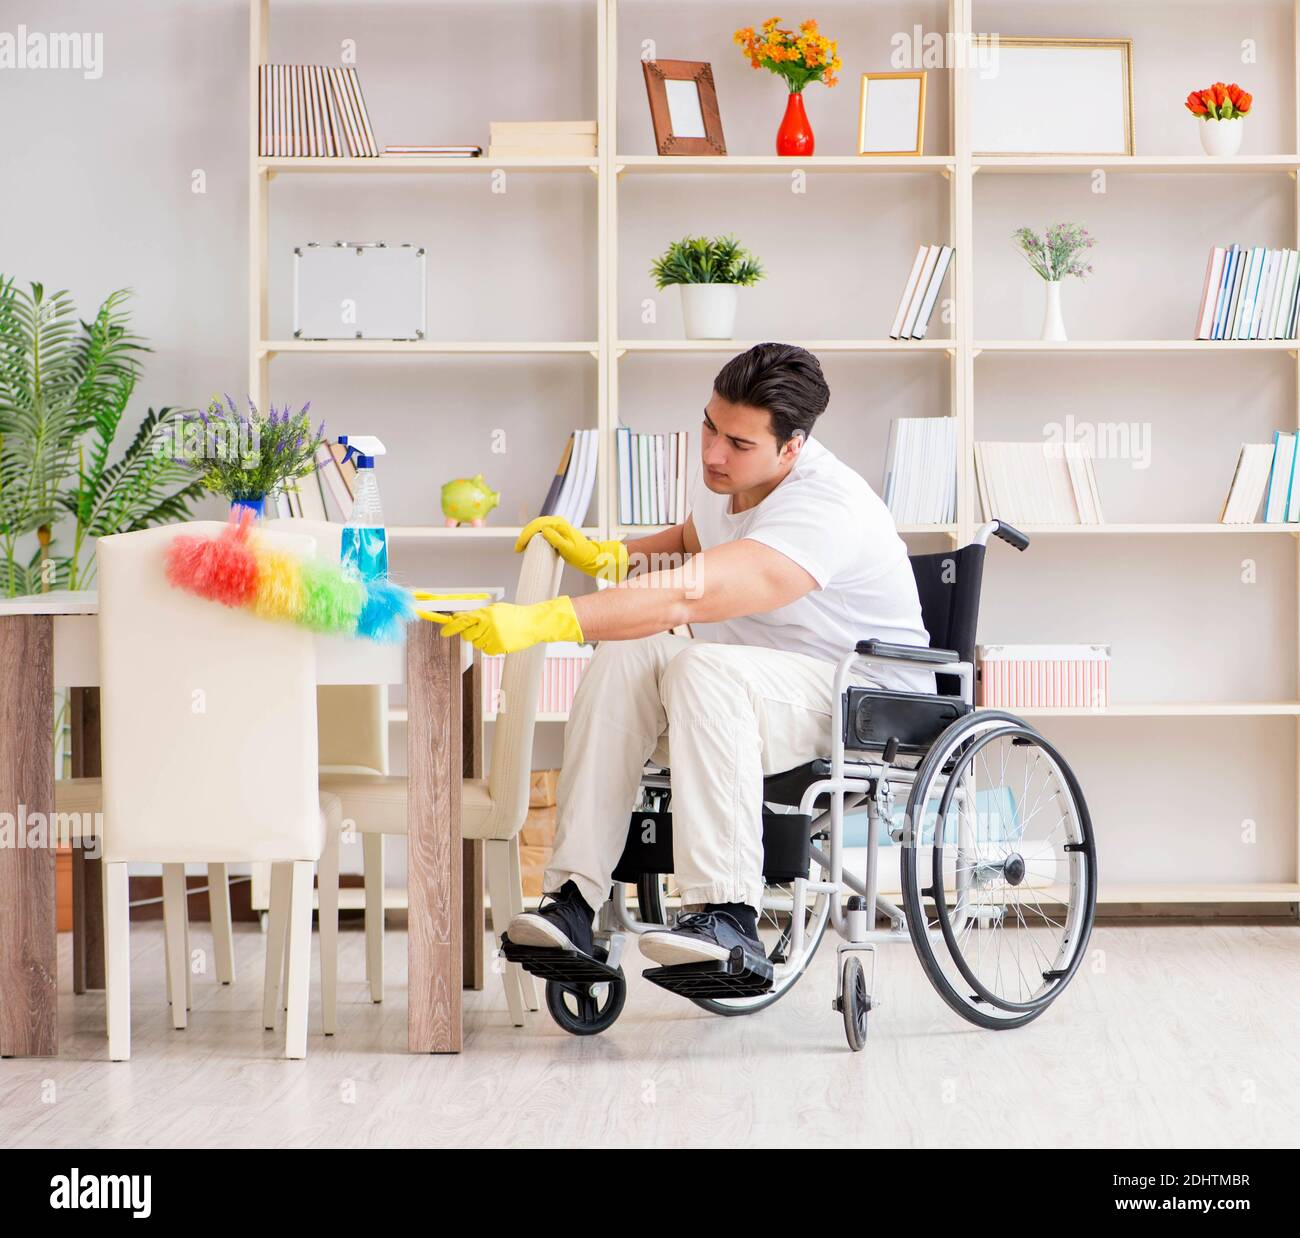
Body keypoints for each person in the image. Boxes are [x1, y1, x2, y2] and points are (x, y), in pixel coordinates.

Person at [430, 342, 934, 973]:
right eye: (710, 426)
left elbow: (691, 591)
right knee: (629, 650)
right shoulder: (732, 480)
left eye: (739, 444)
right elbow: (694, 541)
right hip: (752, 691)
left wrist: (546, 620)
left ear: (792, 447)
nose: (713, 453)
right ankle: (573, 900)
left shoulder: (827, 508)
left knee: (697, 663)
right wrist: (611, 556)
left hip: (865, 701)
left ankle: (728, 916)